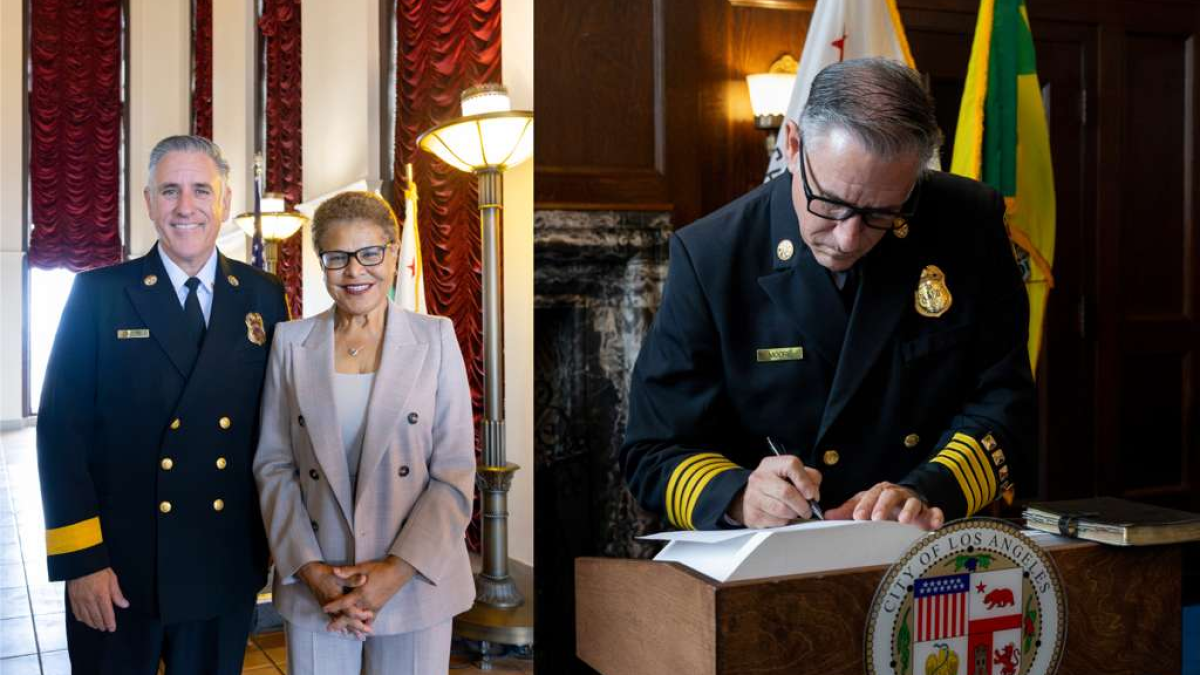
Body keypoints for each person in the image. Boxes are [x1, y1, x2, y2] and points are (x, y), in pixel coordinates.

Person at [620, 58, 1035, 532]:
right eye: (831, 204)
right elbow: (653, 450)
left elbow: (1005, 403)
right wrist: (738, 496)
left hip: (922, 543)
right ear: (794, 145)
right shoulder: (713, 255)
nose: (848, 238)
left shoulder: (967, 222)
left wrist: (927, 489)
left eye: (880, 214)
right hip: (777, 558)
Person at [37, 135, 290, 673]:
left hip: (222, 560)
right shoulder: (99, 294)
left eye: (202, 190)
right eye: (170, 190)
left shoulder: (264, 295)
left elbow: (277, 428)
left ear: (223, 202)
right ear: (148, 202)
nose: (186, 206)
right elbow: (60, 436)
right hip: (121, 569)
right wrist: (82, 562)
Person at [253, 191, 475, 674]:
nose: (355, 272)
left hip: (415, 580)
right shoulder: (291, 343)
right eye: (337, 258)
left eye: (370, 253)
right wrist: (312, 573)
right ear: (321, 263)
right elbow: (274, 466)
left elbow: (454, 472)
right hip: (319, 583)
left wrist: (393, 573)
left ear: (393, 253)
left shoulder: (435, 338)